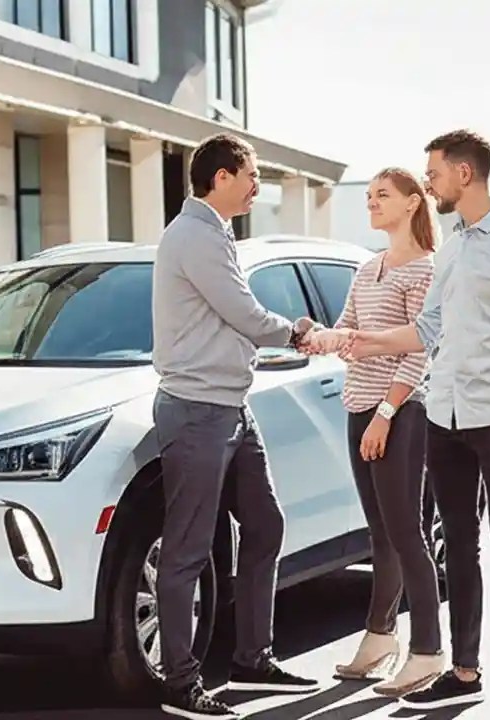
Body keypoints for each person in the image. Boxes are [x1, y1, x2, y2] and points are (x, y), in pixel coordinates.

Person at [342, 129, 490, 720]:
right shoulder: (453, 250)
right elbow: (427, 330)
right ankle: (464, 671)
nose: (430, 183)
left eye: (434, 173)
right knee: (458, 550)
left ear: (464, 174)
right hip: (444, 420)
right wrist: (360, 341)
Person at [150, 132, 320, 719]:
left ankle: (252, 658)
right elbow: (242, 313)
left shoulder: (214, 233)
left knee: (265, 524)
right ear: (221, 177)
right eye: (251, 176)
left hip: (229, 406)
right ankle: (179, 683)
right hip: (198, 410)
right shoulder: (194, 235)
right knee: (187, 549)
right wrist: (296, 332)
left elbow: (226, 320)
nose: (256, 187)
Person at [298, 167, 445, 697]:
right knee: (380, 533)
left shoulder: (425, 271)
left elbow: (420, 351)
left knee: (407, 533)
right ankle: (380, 638)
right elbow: (348, 330)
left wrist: (386, 413)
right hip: (358, 407)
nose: (371, 203)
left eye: (382, 195)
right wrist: (318, 337)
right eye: (368, 196)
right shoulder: (369, 267)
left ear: (412, 203)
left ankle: (428, 650)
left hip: (399, 414)